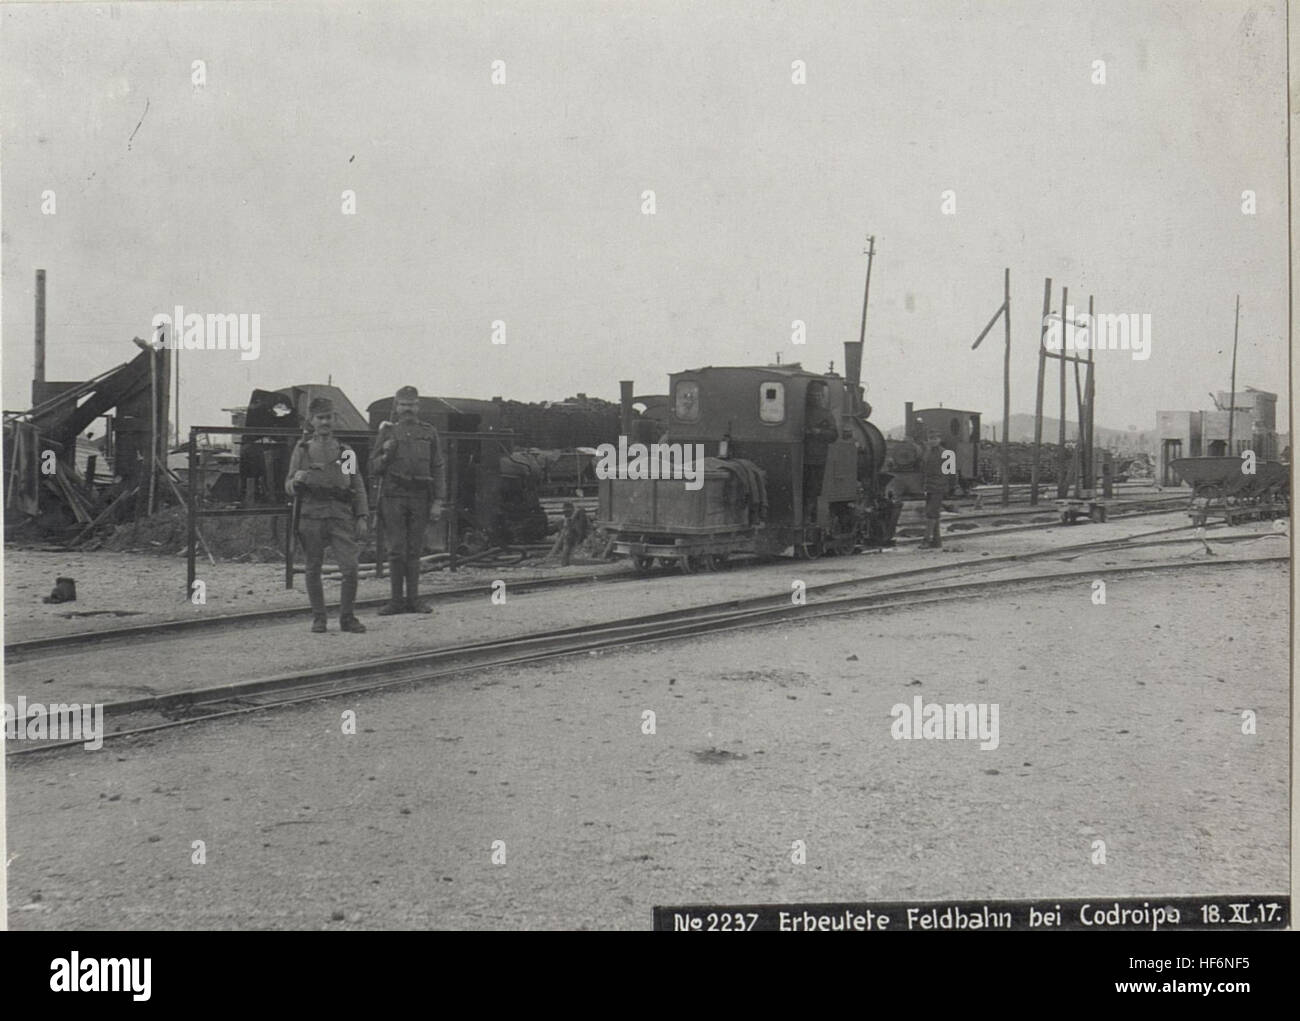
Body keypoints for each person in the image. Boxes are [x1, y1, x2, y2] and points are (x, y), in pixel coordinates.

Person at [286, 396, 369, 633]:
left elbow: (356, 483)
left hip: (340, 516)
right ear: (311, 421)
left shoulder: (344, 451)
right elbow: (288, 484)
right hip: (311, 515)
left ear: (334, 419)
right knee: (313, 568)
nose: (325, 422)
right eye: (320, 418)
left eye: (328, 417)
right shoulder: (303, 450)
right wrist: (296, 481)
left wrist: (362, 515)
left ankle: (347, 617)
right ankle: (319, 617)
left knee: (350, 568)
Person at [370, 385, 447, 614]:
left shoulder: (429, 432)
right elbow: (373, 466)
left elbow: (438, 466)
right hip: (393, 497)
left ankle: (413, 600)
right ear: (396, 406)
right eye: (403, 405)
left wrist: (438, 501)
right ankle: (396, 601)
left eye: (412, 405)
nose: (408, 409)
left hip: (420, 497)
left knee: (415, 550)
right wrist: (384, 454)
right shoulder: (387, 432)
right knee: (396, 550)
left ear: (418, 406)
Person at [802, 381, 839, 521]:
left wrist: (819, 432)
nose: (816, 398)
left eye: (818, 395)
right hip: (806, 457)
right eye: (813, 395)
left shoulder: (826, 414)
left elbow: (834, 435)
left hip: (817, 457)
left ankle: (810, 515)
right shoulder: (802, 412)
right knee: (809, 489)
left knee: (814, 489)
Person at [920, 429, 946, 550]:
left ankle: (926, 540)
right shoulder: (927, 453)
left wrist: (952, 488)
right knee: (933, 513)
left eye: (935, 438)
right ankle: (937, 541)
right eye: (930, 438)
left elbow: (951, 473)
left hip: (939, 487)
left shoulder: (946, 454)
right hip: (929, 486)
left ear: (939, 440)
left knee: (931, 513)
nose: (933, 441)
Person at [551, 500, 592, 566]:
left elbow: (581, 532)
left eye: (567, 512)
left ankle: (565, 562)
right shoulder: (563, 521)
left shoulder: (578, 520)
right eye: (564, 512)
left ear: (572, 511)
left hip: (577, 541)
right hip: (570, 542)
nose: (565, 514)